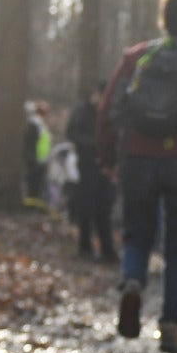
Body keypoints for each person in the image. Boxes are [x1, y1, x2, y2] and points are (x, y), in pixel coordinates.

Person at [99, 0, 177, 353]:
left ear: (163, 18)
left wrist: (107, 157)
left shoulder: (137, 57)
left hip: (138, 156)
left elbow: (107, 110)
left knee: (137, 234)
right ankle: (170, 324)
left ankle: (133, 281)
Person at [64, 87, 116, 262]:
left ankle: (107, 250)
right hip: (86, 165)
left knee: (104, 209)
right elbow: (72, 133)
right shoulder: (82, 110)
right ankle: (85, 246)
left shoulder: (109, 111)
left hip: (105, 166)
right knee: (86, 208)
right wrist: (94, 145)